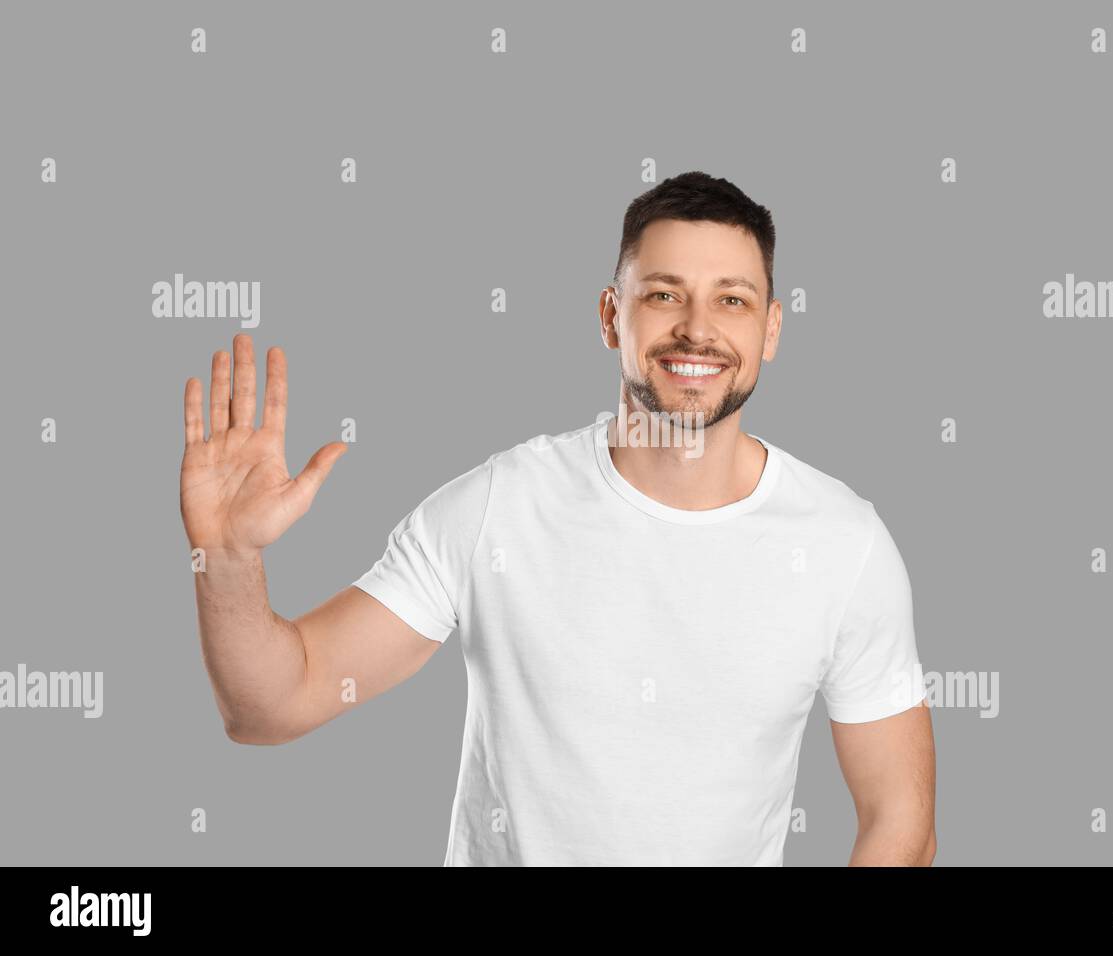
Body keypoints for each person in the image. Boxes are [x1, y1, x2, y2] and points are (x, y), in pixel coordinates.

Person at [180, 171, 936, 866]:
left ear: (771, 329)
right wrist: (227, 557)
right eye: (664, 294)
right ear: (612, 316)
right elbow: (270, 708)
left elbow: (899, 819)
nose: (697, 329)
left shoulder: (845, 545)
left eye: (731, 299)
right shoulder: (494, 510)